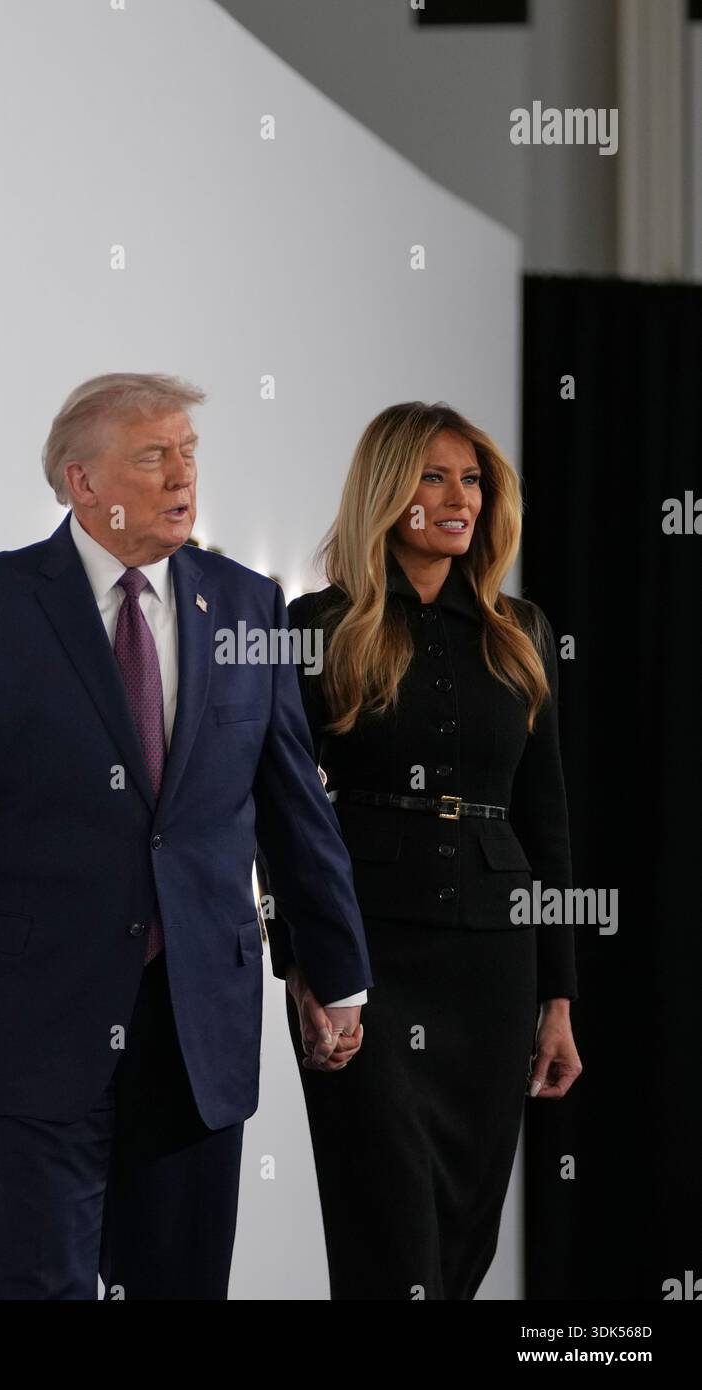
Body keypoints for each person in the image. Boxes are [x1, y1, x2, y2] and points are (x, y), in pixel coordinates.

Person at [0, 372, 372, 1300]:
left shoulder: (247, 605)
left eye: (189, 452)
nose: (182, 474)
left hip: (199, 1024)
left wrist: (333, 968)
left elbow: (291, 807)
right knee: (39, 1283)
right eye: (153, 456)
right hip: (34, 1019)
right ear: (83, 482)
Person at [260, 400, 583, 1300]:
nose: (459, 498)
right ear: (387, 491)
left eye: (473, 479)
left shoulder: (524, 632)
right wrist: (301, 966)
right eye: (433, 476)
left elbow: (546, 820)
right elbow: (280, 811)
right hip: (362, 955)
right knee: (386, 1231)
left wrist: (557, 998)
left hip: (493, 965)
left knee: (459, 1246)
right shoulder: (318, 623)